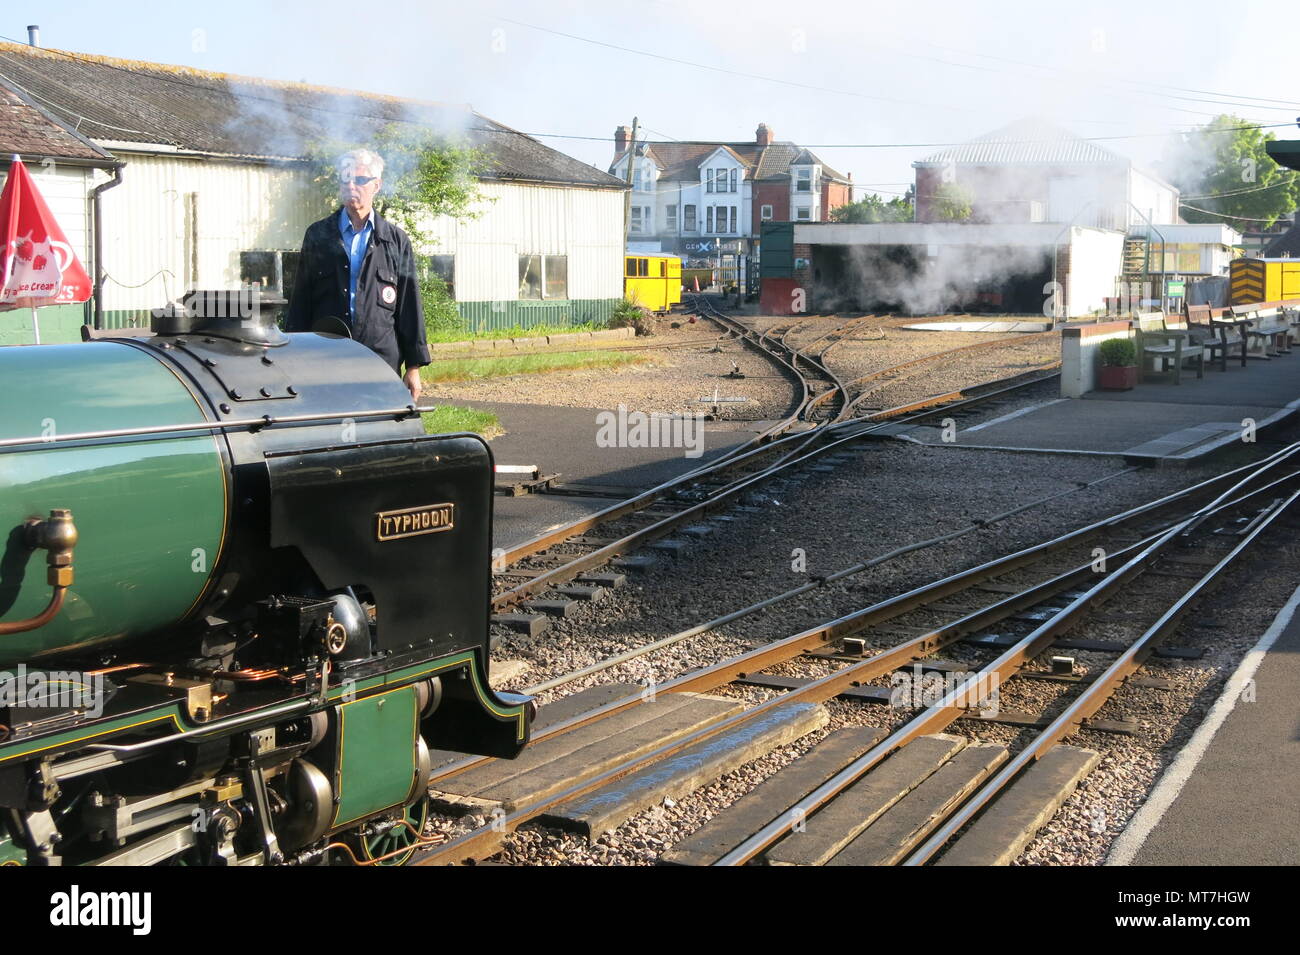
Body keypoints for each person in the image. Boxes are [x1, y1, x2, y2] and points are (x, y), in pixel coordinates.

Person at [286, 148, 429, 401]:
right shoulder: (318, 235)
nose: (351, 185)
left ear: (377, 185)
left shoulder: (395, 240)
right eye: (345, 179)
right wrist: (293, 358)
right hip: (327, 360)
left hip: (380, 362)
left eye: (360, 180)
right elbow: (301, 301)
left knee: (380, 433)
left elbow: (409, 306)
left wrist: (414, 366)